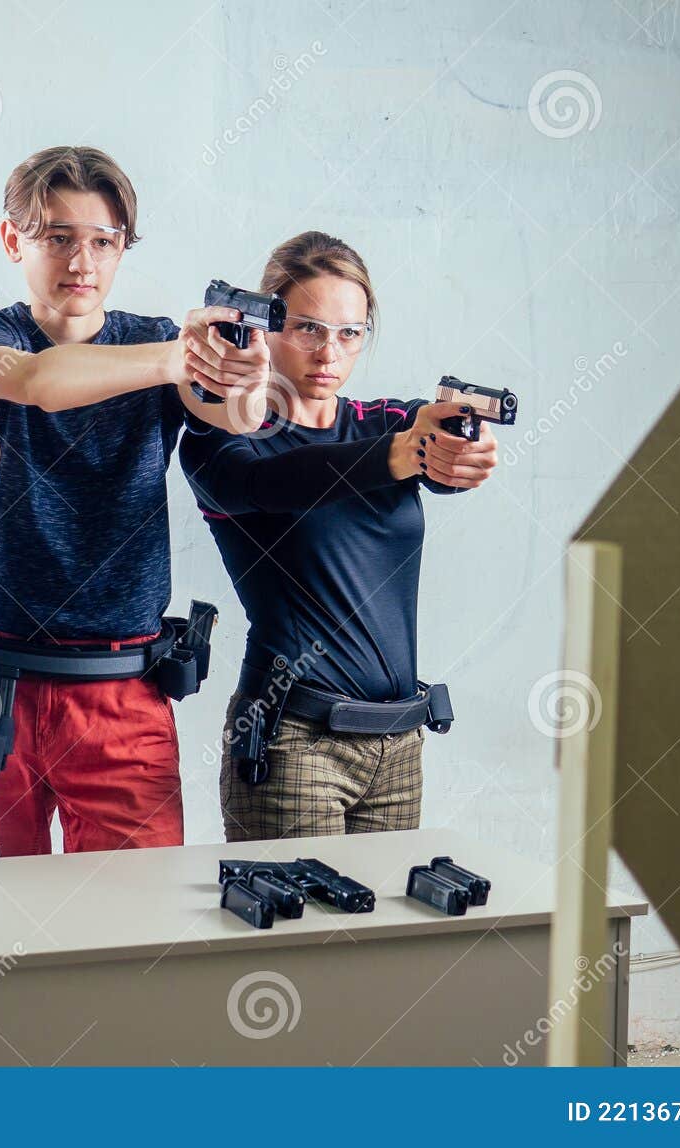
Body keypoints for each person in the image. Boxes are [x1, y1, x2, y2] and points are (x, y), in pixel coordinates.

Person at [0, 145, 270, 856]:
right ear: (13, 241)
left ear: (122, 250)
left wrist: (239, 373)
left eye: (103, 241)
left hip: (123, 690)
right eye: (57, 237)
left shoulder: (158, 343)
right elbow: (31, 381)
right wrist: (176, 357)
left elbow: (234, 416)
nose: (80, 261)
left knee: (135, 938)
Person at [180, 231, 499, 841]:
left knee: (383, 934)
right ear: (266, 327)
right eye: (308, 328)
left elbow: (442, 453)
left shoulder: (386, 423)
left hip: (400, 744)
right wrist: (398, 456)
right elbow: (274, 482)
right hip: (294, 740)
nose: (329, 352)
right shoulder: (223, 438)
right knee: (298, 936)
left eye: (350, 333)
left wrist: (467, 448)